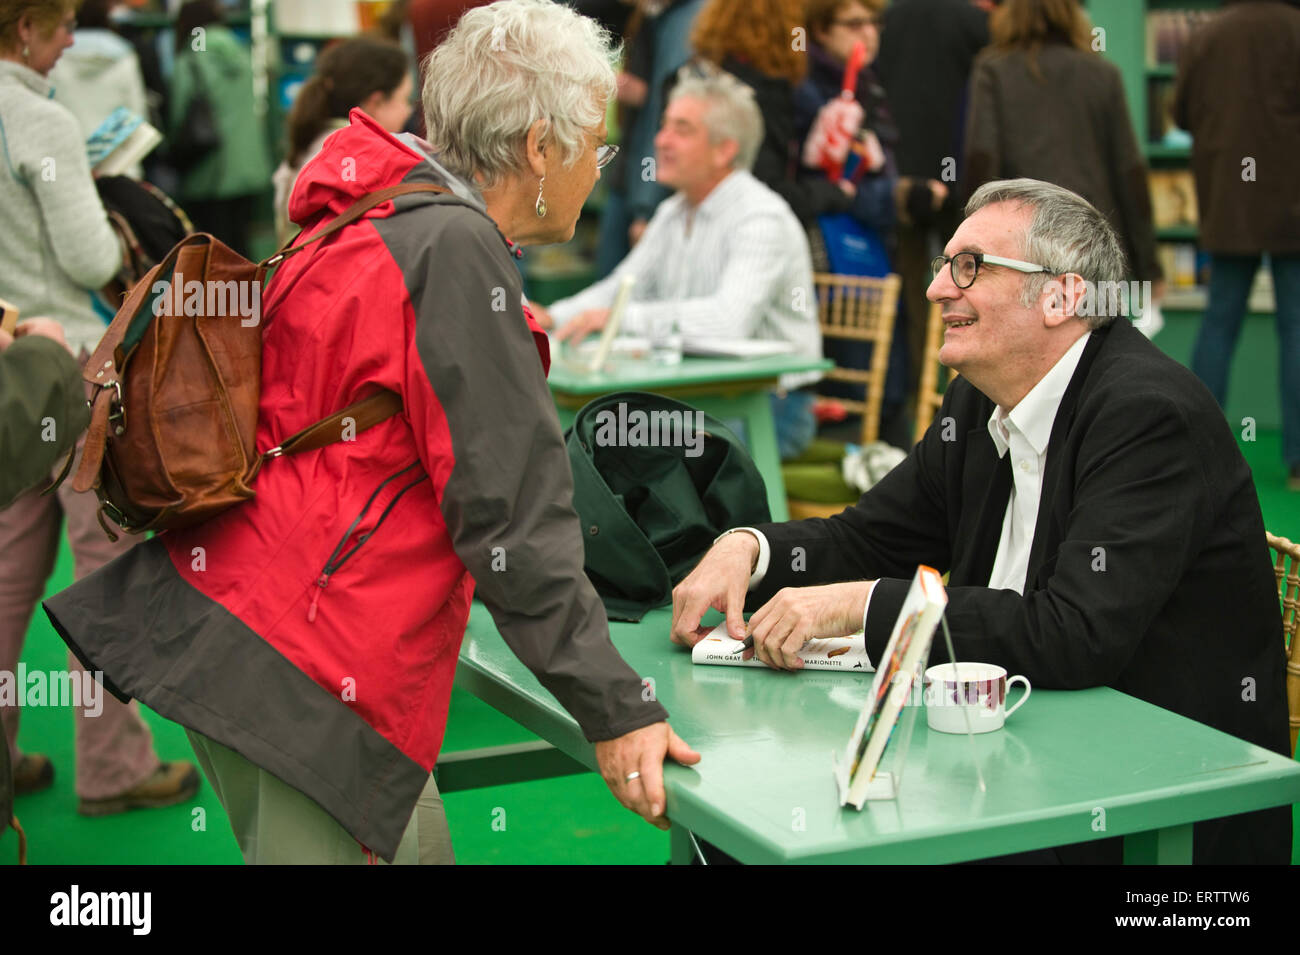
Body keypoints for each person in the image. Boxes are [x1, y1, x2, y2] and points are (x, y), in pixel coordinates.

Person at [44, 0, 698, 865]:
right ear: (540, 148)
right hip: (304, 661)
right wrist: (616, 704)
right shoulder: (455, 253)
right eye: (594, 142)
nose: (598, 165)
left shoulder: (377, 213)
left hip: (248, 629)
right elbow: (512, 521)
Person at [669, 178, 1293, 864]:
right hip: (1005, 760)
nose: (937, 288)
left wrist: (855, 604)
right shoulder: (978, 401)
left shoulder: (1147, 414)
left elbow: (1072, 632)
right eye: (943, 265)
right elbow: (870, 535)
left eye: (969, 267)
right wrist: (748, 547)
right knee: (731, 820)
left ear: (1064, 294)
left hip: (1141, 809)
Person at [0, 0, 200, 815]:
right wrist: (121, 216)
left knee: (7, 573)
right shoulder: (38, 120)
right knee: (105, 577)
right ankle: (113, 765)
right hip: (77, 365)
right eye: (60, 24)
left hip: (8, 367)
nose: (73, 39)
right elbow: (87, 253)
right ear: (22, 30)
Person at [533, 71, 823, 461]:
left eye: (681, 130)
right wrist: (552, 316)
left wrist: (617, 318)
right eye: (664, 125)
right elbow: (622, 287)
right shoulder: (674, 210)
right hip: (699, 397)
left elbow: (726, 322)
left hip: (771, 408)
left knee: (614, 447)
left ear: (724, 150)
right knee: (586, 436)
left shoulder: (761, 218)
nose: (661, 139)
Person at [963, 0, 1163, 313]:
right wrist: (1149, 266)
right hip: (1093, 240)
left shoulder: (993, 69)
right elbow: (1129, 173)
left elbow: (982, 159)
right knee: (1096, 349)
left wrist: (972, 245)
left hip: (1022, 244)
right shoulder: (1102, 73)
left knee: (1024, 350)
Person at [1174, 0, 1300, 491]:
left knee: (1220, 321)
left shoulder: (1207, 36)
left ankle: (1195, 450)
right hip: (1292, 203)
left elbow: (1181, 112)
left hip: (1229, 198)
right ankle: (1297, 462)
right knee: (1295, 327)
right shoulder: (1295, 29)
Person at [874, 0, 989, 410]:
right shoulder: (975, 21)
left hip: (901, 178)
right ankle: (960, 398)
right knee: (970, 290)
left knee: (911, 296)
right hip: (963, 180)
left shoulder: (889, 17)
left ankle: (913, 403)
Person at [273, 35, 413, 244]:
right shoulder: (357, 156)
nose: (408, 111)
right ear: (376, 102)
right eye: (404, 99)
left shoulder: (319, 141)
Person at [168, 0, 271, 256]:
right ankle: (249, 295)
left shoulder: (190, 60)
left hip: (210, 172)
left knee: (212, 252)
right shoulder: (241, 53)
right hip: (248, 166)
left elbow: (179, 116)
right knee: (242, 247)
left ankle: (221, 298)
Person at [48, 0, 149, 178]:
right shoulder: (125, 55)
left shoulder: (55, 57)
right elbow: (136, 114)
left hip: (69, 167)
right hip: (121, 167)